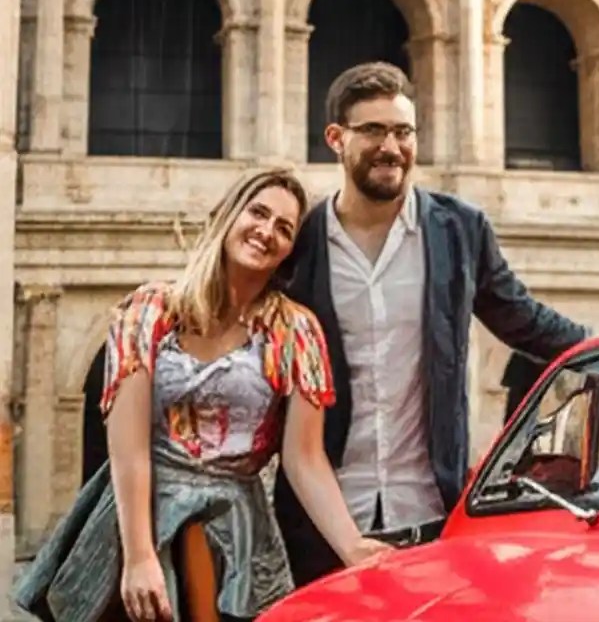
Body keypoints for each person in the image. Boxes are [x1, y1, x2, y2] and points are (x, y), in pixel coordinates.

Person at [13, 168, 391, 622]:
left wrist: (351, 544)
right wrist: (139, 556)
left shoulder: (296, 331)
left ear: (290, 250)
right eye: (258, 212)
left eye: (284, 228)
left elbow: (304, 459)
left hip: (235, 527)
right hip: (140, 514)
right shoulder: (149, 310)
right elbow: (129, 449)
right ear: (229, 216)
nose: (267, 231)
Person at [275, 61, 590, 586]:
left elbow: (525, 323)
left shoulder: (459, 230)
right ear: (336, 138)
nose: (391, 147)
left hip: (431, 515)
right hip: (322, 526)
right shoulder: (300, 241)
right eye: (373, 130)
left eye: (403, 131)